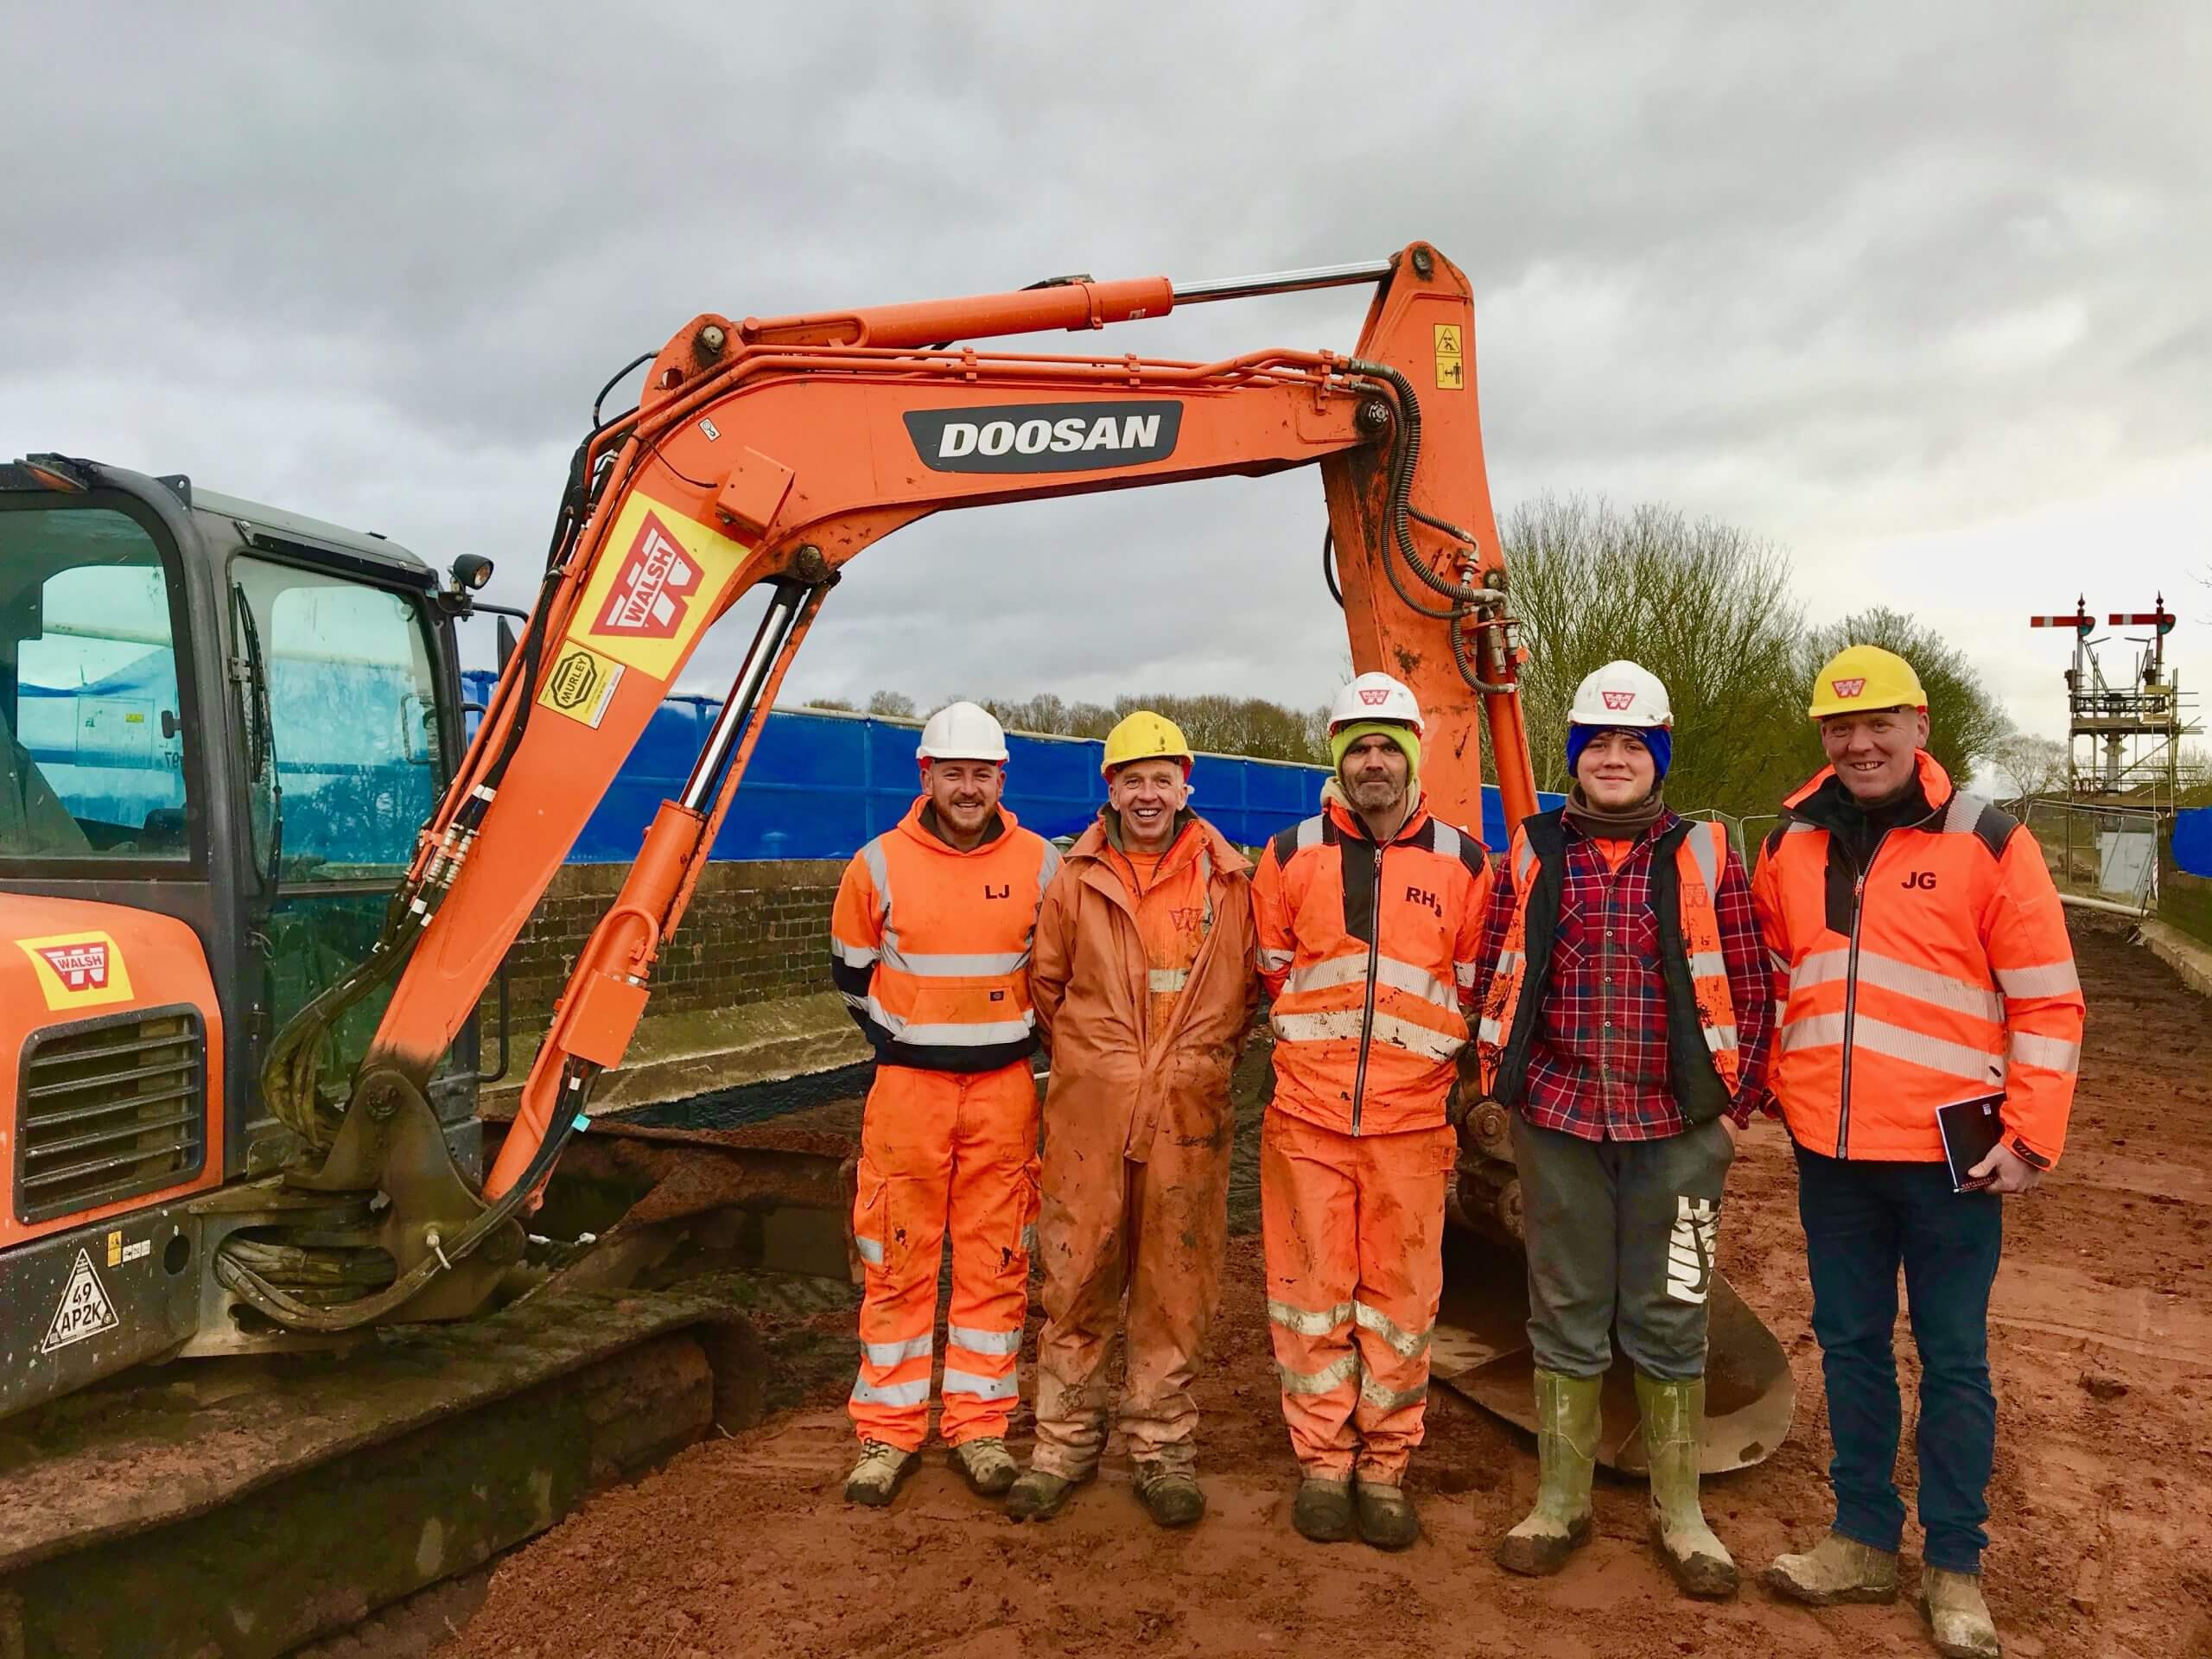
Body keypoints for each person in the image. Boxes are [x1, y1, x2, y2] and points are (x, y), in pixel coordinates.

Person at [1752, 645, 2084, 1659]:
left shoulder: (1987, 839)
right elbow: (1775, 982)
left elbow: (2045, 997)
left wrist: (2031, 1134)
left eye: (1877, 724)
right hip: (1833, 1155)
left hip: (1952, 1159)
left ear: (1919, 727)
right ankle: (1858, 1539)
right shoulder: (1790, 846)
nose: (1857, 744)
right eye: (1838, 728)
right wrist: (1766, 1088)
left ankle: (1954, 1567)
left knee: (1953, 1362)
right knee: (1849, 1349)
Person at [1474, 660, 1774, 1598]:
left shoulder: (1710, 852)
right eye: (1596, 743)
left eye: (1630, 744)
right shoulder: (1528, 851)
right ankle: (1559, 1503)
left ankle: (1679, 1513)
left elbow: (1754, 982)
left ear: (1658, 756)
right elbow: (1491, 963)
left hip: (1677, 1130)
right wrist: (1495, 1082)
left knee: (1673, 1308)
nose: (1612, 759)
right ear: (1574, 753)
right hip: (1558, 1122)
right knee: (1563, 1308)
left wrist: (1731, 1109)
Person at [1249, 671, 1493, 1550]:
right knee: (1308, 1299)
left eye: (1390, 746)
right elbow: (1275, 973)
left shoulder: (1466, 864)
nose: (1376, 763)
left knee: (1399, 1302)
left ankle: (1386, 1469)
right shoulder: (1287, 856)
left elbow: (1470, 987)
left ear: (1415, 758)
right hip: (1307, 1123)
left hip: (1411, 1128)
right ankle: (1322, 1464)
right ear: (1338, 760)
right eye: (1360, 748)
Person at [1009, 711, 1259, 1529]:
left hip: (1191, 1112)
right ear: (1108, 789)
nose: (1147, 795)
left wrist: (1191, 1063)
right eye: (1132, 780)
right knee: (1076, 1276)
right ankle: (1062, 1446)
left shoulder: (1228, 880)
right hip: (1092, 1113)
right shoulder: (1075, 879)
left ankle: (1160, 1448)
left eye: (1162, 779)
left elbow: (1245, 997)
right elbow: (1048, 987)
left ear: (1187, 786)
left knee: (1173, 1285)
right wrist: (1102, 1062)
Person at [827, 700, 1060, 1506]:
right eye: (954, 772)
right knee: (895, 1261)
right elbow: (853, 977)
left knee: (998, 1262)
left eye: (982, 773)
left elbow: (1057, 978)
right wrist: (914, 1040)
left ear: (1002, 778)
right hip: (908, 1094)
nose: (969, 787)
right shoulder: (878, 864)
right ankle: (887, 1437)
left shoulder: (1041, 865)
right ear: (925, 775)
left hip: (1004, 1093)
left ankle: (980, 1426)